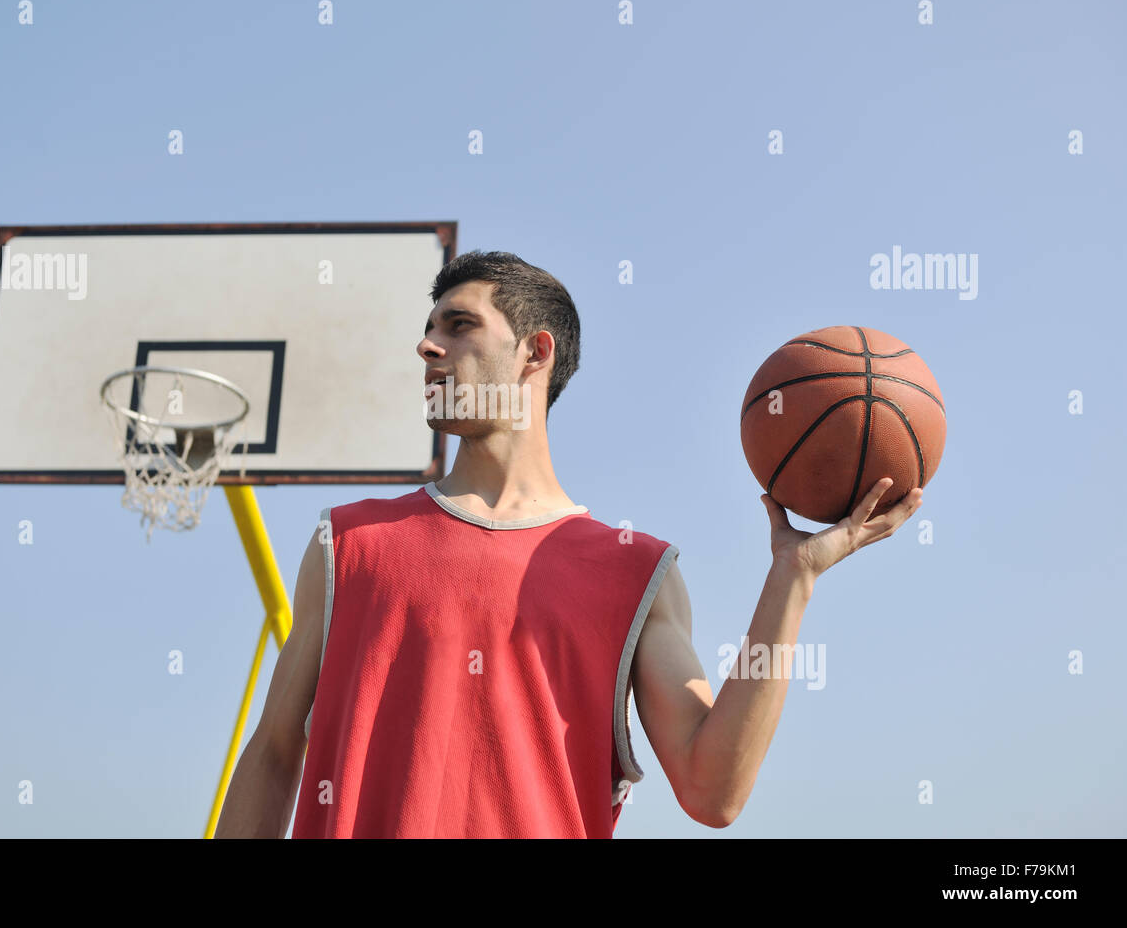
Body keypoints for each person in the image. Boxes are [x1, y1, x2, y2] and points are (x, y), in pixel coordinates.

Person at [215, 250, 923, 838]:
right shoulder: (349, 543)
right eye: (428, 329)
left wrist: (793, 579)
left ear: (535, 352)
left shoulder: (635, 570)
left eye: (459, 326)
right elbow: (277, 752)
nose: (428, 346)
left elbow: (714, 791)